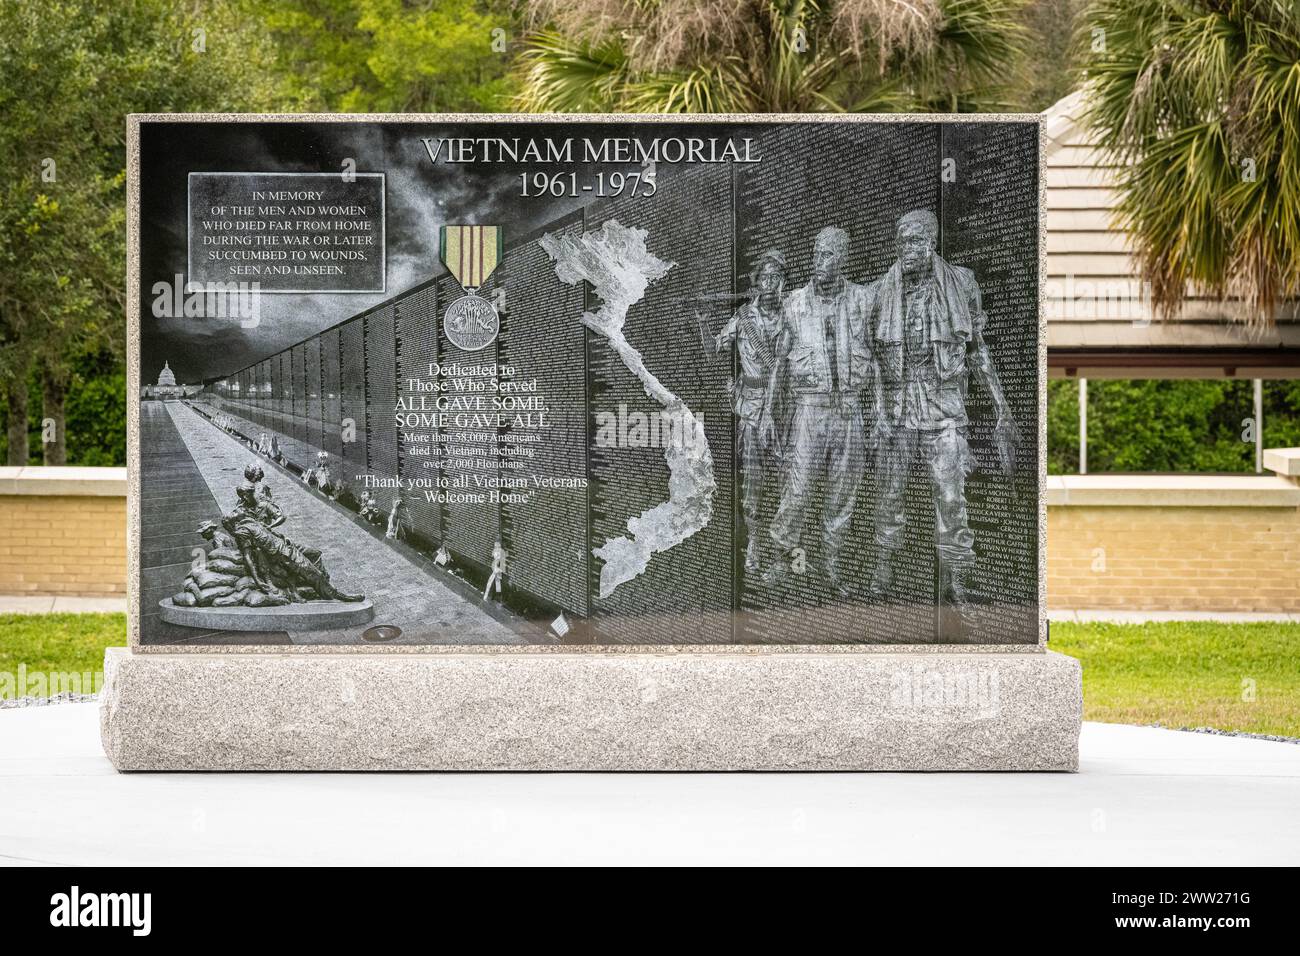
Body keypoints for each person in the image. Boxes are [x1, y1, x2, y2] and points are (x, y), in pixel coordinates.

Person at [867, 209, 1020, 621]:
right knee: (889, 494)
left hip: (944, 406)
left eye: (915, 240)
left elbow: (978, 351)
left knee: (952, 499)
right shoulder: (881, 291)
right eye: (901, 241)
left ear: (931, 242)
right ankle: (883, 568)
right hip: (899, 409)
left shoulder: (963, 282)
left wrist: (1002, 407)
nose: (907, 248)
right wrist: (880, 409)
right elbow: (874, 361)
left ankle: (957, 580)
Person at [760, 226, 877, 599]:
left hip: (849, 410)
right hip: (809, 409)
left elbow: (875, 361)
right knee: (798, 489)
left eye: (827, 254)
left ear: (843, 259)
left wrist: (879, 412)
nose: (818, 261)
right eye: (816, 253)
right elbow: (779, 363)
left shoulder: (863, 299)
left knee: (844, 493)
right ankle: (785, 559)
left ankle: (832, 565)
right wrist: (767, 412)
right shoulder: (794, 303)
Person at [696, 248, 788, 573]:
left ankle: (781, 552)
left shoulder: (792, 315)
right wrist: (704, 323)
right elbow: (711, 352)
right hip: (750, 407)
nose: (769, 282)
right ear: (757, 281)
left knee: (785, 482)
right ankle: (755, 544)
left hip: (783, 408)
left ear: (782, 282)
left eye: (776, 277)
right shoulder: (742, 317)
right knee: (753, 482)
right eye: (764, 276)